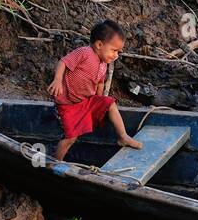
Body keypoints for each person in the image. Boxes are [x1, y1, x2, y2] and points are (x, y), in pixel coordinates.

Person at [48, 19, 143, 160]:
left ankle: (123, 137)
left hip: (85, 101)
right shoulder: (84, 53)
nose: (116, 55)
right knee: (70, 138)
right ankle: (56, 162)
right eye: (114, 50)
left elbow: (100, 83)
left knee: (110, 103)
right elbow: (63, 62)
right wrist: (57, 80)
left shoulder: (103, 64)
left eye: (118, 52)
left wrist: (99, 102)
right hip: (68, 104)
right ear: (99, 44)